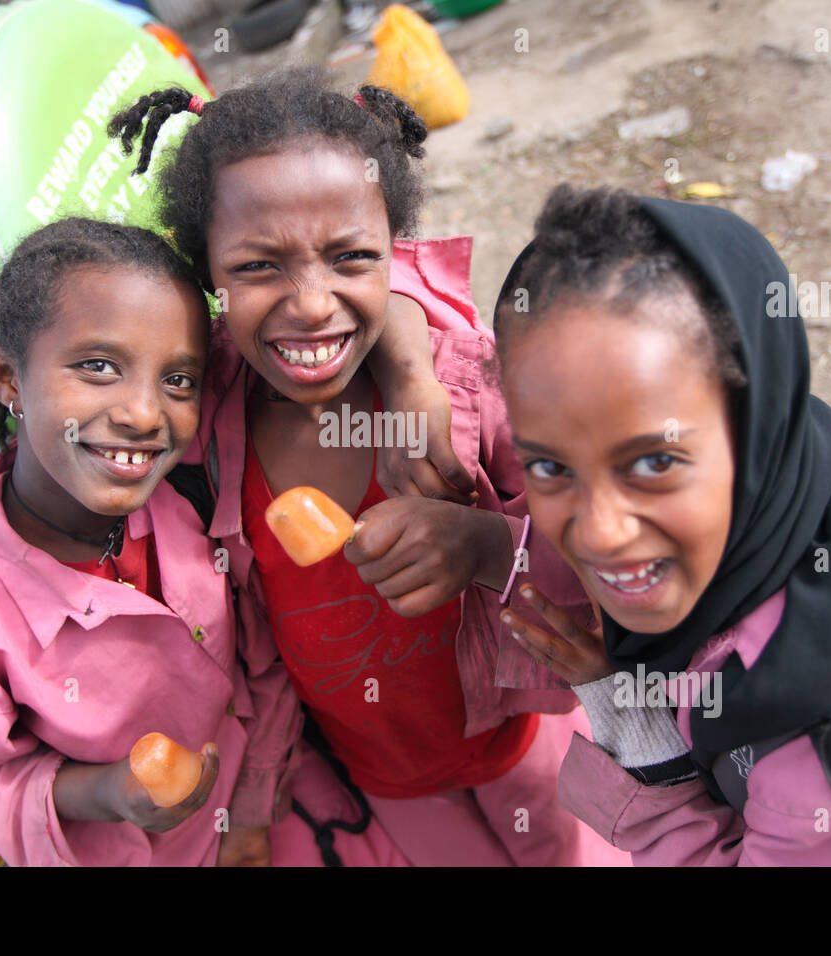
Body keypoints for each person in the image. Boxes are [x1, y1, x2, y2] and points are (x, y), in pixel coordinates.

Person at [109, 70, 630, 866]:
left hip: (526, 736)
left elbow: (600, 563)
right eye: (257, 267)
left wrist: (483, 544)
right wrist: (252, 801)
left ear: (395, 249)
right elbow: (258, 646)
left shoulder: (468, 391)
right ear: (206, 271)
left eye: (351, 257)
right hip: (388, 779)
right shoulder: (205, 431)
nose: (313, 302)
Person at [0, 217, 408, 866]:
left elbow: (266, 665)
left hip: (282, 801)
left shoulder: (203, 506)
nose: (145, 414)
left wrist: (253, 812)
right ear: (7, 378)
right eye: (97, 366)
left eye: (178, 380)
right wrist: (104, 791)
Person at [491, 184, 831, 864]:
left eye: (654, 461)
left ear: (756, 432)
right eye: (548, 468)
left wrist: (638, 730)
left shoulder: (829, 754)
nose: (600, 532)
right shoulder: (820, 506)